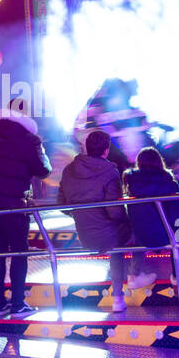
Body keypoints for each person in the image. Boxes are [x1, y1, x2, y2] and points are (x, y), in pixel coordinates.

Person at [0, 102, 52, 316]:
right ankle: (17, 304)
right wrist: (42, 151)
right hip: (14, 204)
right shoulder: (29, 139)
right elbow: (43, 170)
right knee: (18, 251)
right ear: (24, 115)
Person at [59, 129, 131, 313]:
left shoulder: (69, 170)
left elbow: (62, 204)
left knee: (116, 237)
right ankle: (124, 290)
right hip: (108, 235)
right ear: (106, 151)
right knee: (130, 233)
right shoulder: (110, 171)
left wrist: (83, 215)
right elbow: (114, 212)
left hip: (84, 236)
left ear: (86, 148)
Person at [123, 147, 179, 292]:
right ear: (159, 162)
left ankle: (177, 279)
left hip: (142, 237)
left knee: (178, 232)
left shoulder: (131, 184)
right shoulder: (168, 183)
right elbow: (177, 216)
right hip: (164, 236)